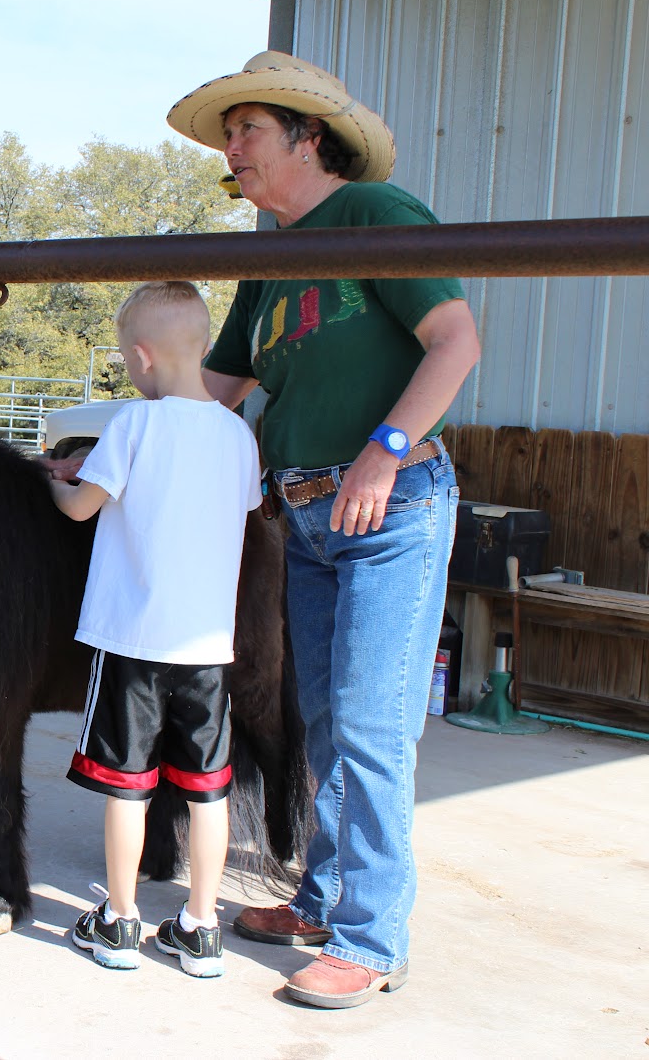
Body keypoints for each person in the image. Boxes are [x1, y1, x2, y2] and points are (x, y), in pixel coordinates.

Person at [167, 52, 482, 1008]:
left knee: (373, 722)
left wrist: (385, 451)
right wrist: (110, 444)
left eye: (247, 129)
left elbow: (455, 340)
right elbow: (214, 392)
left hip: (392, 504)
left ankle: (371, 937)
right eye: (227, 133)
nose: (231, 149)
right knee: (326, 717)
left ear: (311, 138)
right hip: (301, 514)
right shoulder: (265, 256)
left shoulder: (379, 217)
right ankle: (324, 895)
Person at [49, 281, 261, 978]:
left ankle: (118, 919)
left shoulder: (133, 426)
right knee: (207, 789)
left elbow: (82, 510)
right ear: (201, 346)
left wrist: (56, 477)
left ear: (141, 357)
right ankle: (201, 927)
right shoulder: (238, 434)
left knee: (127, 783)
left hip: (134, 642)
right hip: (207, 648)